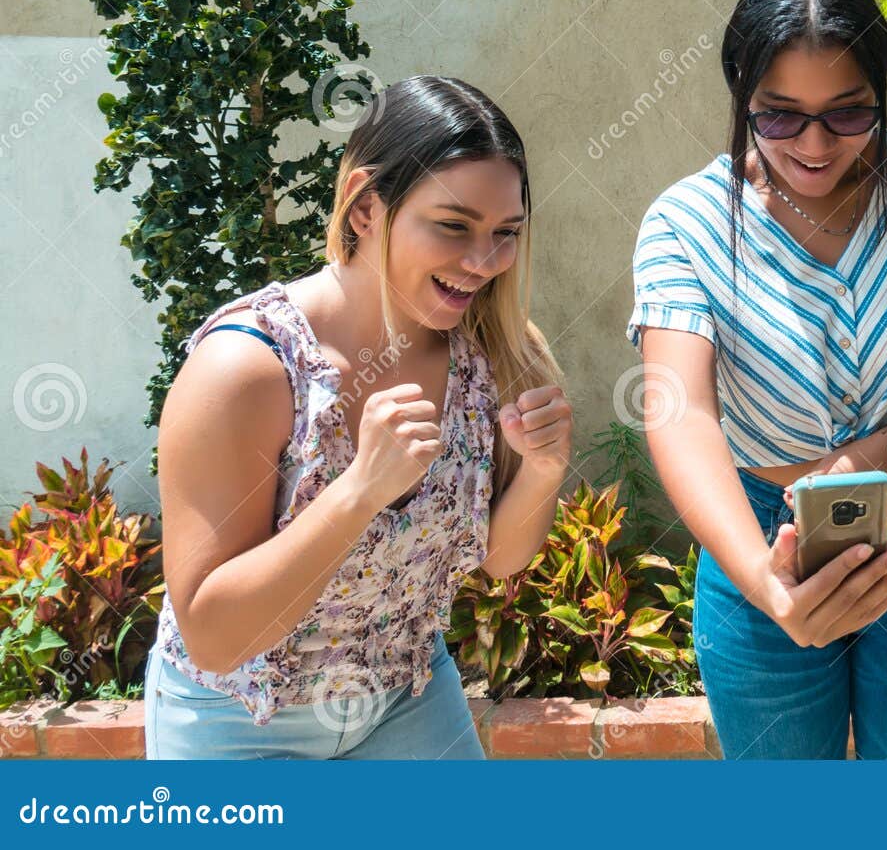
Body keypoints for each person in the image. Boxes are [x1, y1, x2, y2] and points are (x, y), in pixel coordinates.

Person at [628, 0, 887, 758]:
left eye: (848, 114)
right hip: (756, 537)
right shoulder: (685, 223)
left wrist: (882, 452)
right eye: (778, 117)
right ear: (740, 99)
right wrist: (767, 583)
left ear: (880, 91)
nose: (813, 143)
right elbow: (682, 412)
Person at [144, 75, 571, 759]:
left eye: (505, 233)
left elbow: (499, 560)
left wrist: (543, 470)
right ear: (366, 206)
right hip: (240, 724)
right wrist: (357, 490)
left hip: (408, 697)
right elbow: (213, 635)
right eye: (454, 225)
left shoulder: (494, 352)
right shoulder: (247, 369)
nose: (484, 261)